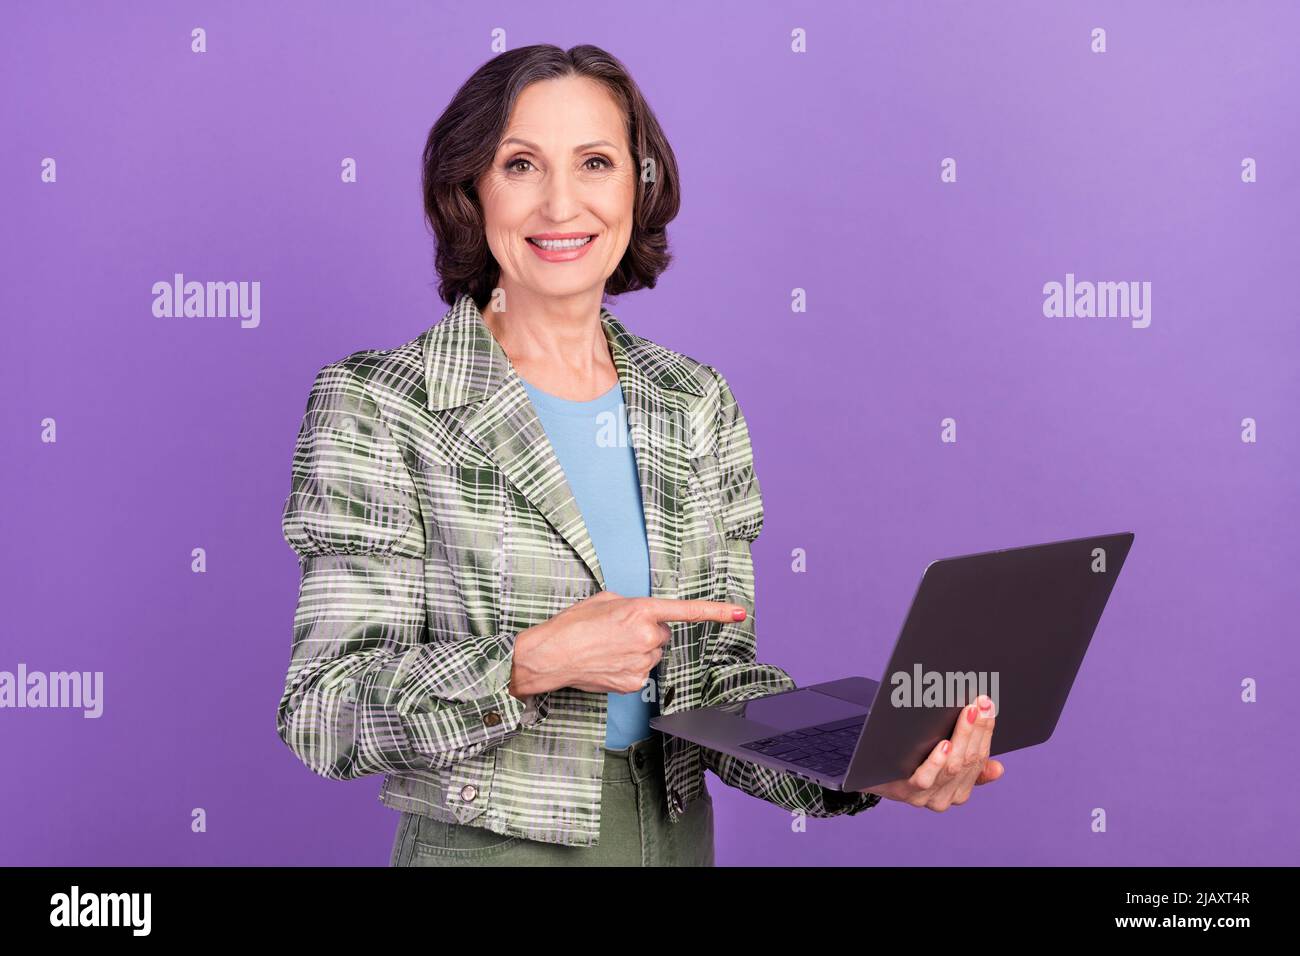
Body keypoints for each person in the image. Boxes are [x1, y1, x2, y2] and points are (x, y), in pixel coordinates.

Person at [275, 43, 1004, 868]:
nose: (561, 203)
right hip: (486, 846)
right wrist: (530, 662)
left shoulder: (694, 402)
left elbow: (717, 687)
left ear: (639, 184)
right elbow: (323, 709)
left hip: (673, 839)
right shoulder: (381, 402)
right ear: (470, 191)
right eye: (520, 164)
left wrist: (868, 766)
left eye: (595, 162)